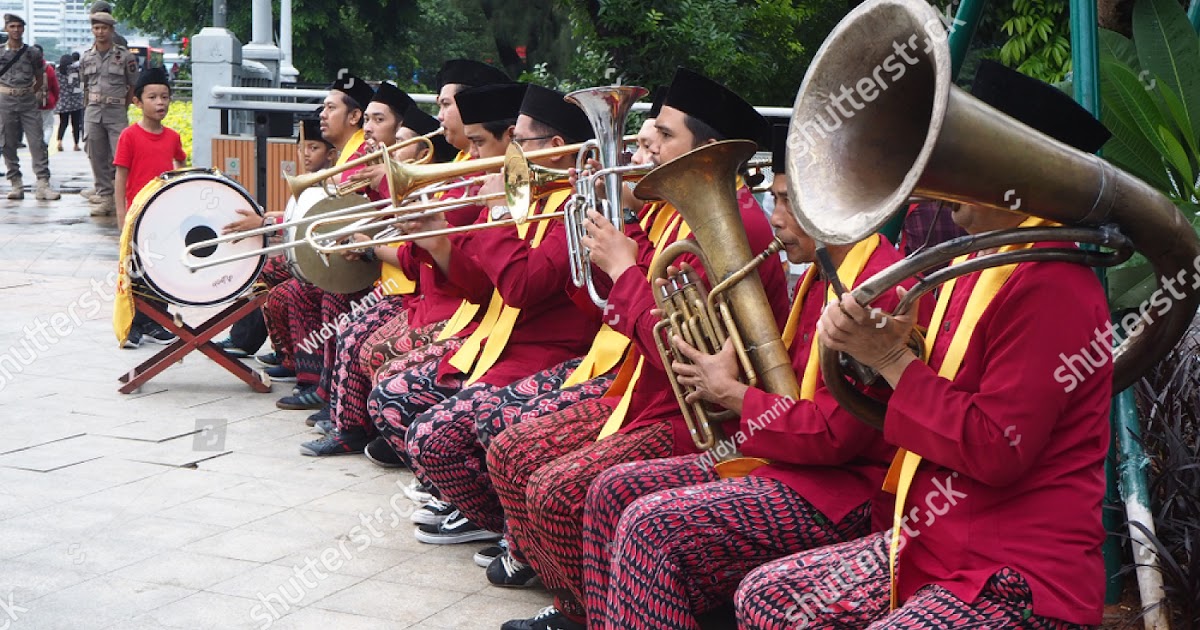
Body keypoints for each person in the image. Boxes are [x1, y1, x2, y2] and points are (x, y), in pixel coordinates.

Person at [735, 59, 1114, 630]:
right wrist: (874, 355)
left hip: (1016, 577)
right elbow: (919, 387)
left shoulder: (1052, 283)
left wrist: (891, 359)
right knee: (768, 598)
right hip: (934, 541)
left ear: (1017, 174)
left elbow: (997, 448)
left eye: (963, 154)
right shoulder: (970, 261)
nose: (943, 170)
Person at [575, 124, 935, 630]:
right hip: (781, 462)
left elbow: (833, 439)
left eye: (788, 203)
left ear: (835, 202)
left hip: (839, 492)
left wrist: (734, 394)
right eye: (776, 199)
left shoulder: (880, 290)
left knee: (649, 525)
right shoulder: (823, 269)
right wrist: (731, 382)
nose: (777, 218)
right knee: (611, 490)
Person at [490, 67, 789, 630]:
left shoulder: (731, 224)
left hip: (693, 415)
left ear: (711, 151)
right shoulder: (677, 209)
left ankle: (602, 610)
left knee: (556, 490)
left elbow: (676, 353)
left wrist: (624, 269)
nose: (648, 142)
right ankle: (585, 604)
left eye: (666, 134)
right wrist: (596, 267)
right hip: (640, 392)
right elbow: (617, 316)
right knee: (511, 452)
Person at [261, 71, 373, 409]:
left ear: (354, 116)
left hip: (367, 267)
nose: (322, 115)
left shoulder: (359, 157)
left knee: (308, 290)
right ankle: (309, 375)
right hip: (346, 253)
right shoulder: (346, 156)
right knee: (277, 275)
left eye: (330, 108)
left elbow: (342, 219)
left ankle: (324, 387)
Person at [113, 66, 187, 348]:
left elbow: (181, 164)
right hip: (137, 217)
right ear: (137, 101)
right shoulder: (129, 137)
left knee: (162, 269)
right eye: (153, 97)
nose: (160, 103)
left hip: (165, 217)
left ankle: (157, 322)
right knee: (135, 272)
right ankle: (132, 324)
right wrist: (122, 216)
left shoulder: (172, 137)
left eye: (165, 97)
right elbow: (120, 177)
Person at [81, 10, 137, 216]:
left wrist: (125, 106)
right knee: (96, 154)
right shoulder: (87, 57)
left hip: (116, 111)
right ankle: (105, 197)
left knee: (121, 156)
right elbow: (84, 85)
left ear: (111, 30)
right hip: (93, 111)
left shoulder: (124, 56)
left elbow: (132, 85)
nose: (100, 32)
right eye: (96, 28)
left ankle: (125, 196)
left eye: (104, 28)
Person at [0, 14, 60, 201]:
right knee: (8, 143)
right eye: (12, 26)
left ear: (23, 29)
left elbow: (40, 76)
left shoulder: (32, 53)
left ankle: (43, 184)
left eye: (19, 26)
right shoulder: (0, 52)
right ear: (6, 28)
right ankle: (16, 183)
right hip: (5, 101)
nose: (16, 30)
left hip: (27, 101)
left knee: (37, 142)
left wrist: (30, 93)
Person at [55, 54, 84, 152]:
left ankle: (59, 141)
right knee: (75, 124)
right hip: (76, 100)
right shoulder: (75, 70)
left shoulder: (57, 71)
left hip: (63, 101)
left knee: (63, 123)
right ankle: (76, 144)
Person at [32, 45, 58, 149]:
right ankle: (45, 143)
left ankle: (37, 145)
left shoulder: (27, 68)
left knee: (34, 127)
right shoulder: (48, 68)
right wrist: (55, 100)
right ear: (42, 54)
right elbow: (55, 87)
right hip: (47, 101)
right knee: (48, 126)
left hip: (31, 103)